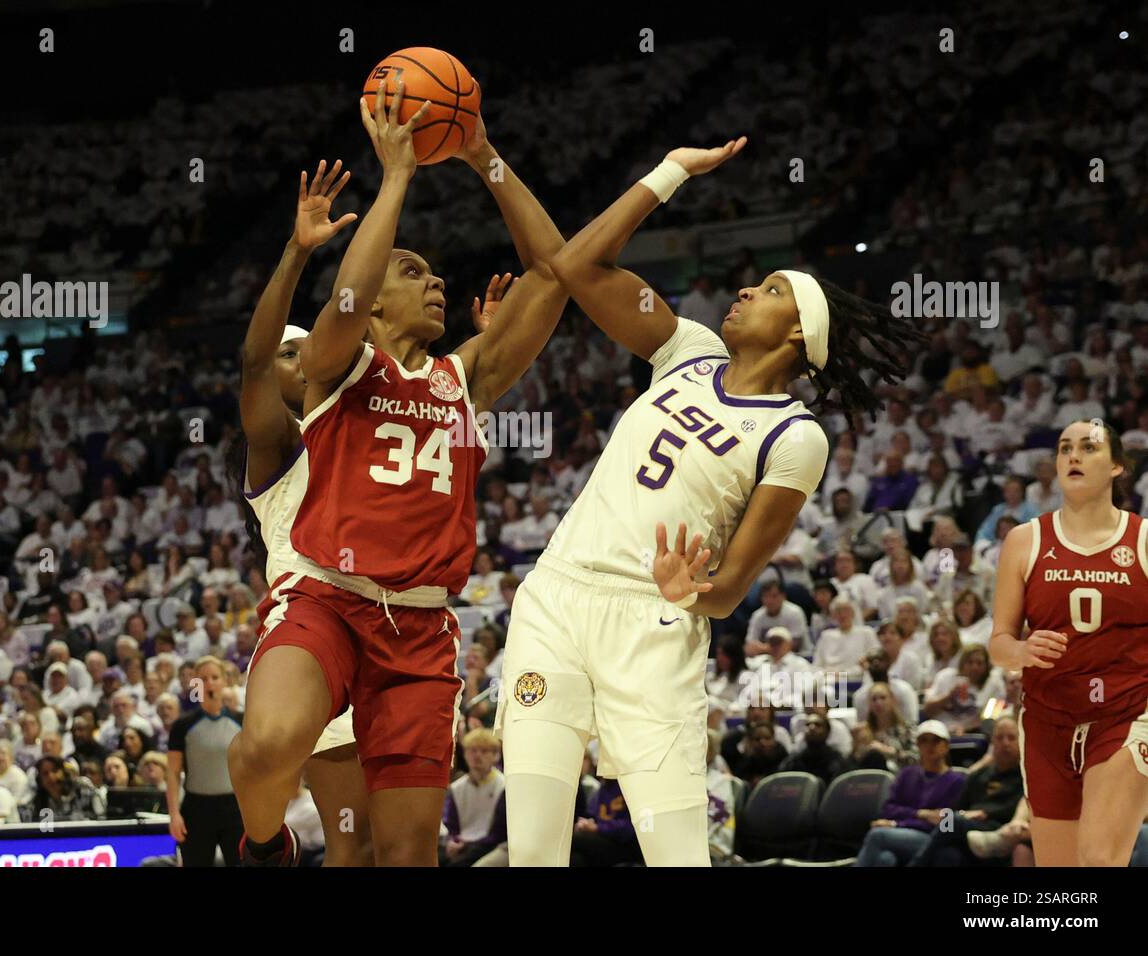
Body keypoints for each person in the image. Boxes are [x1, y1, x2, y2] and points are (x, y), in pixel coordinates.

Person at [499, 137, 925, 867]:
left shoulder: (794, 437)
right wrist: (667, 173)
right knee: (534, 851)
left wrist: (688, 588)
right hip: (557, 601)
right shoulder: (687, 351)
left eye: (770, 289)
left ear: (799, 332)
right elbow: (574, 267)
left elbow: (726, 594)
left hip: (655, 626)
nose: (746, 292)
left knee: (680, 859)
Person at [230, 80, 569, 867]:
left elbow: (554, 275)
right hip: (324, 596)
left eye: (434, 274)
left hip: (418, 627)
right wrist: (397, 178)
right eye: (413, 272)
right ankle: (264, 842)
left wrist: (484, 155)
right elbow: (343, 297)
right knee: (265, 749)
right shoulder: (334, 368)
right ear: (375, 302)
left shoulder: (466, 379)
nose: (437, 282)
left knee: (405, 856)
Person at [229, 167, 378, 866]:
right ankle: (264, 842)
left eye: (305, 349)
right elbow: (255, 364)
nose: (299, 360)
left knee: (363, 845)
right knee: (267, 758)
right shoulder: (280, 442)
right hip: (312, 635)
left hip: (388, 628)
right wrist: (297, 252)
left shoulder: (368, 422)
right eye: (293, 354)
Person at [989, 420, 1148, 866]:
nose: (1073, 456)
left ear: (1117, 465)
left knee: (1098, 859)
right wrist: (1021, 651)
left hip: (1126, 713)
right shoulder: (1024, 540)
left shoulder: (1144, 538)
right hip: (1046, 722)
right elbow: (998, 643)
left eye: (1088, 447)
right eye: (1064, 448)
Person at [909, 717, 1024, 866]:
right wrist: (964, 815)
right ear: (992, 743)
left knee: (952, 821)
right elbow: (958, 806)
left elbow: (1017, 808)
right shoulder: (979, 775)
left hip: (1000, 829)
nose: (1005, 743)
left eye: (1011, 738)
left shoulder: (1025, 778)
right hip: (967, 827)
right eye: (1000, 738)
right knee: (948, 854)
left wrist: (984, 814)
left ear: (1021, 742)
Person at [854, 720, 967, 866]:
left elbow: (945, 825)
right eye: (924, 740)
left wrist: (897, 824)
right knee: (886, 859)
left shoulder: (956, 781)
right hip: (900, 834)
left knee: (877, 835)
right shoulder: (907, 774)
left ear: (946, 746)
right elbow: (888, 809)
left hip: (932, 839)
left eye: (936, 740)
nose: (930, 745)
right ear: (918, 745)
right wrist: (920, 814)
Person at [167, 657, 245, 867]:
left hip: (236, 808)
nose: (209, 683)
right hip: (196, 809)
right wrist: (174, 814)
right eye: (203, 679)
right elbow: (173, 773)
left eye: (214, 677)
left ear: (224, 682)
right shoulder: (182, 726)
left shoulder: (242, 722)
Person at [440, 728, 505, 867]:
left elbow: (499, 833)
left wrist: (466, 844)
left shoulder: (503, 786)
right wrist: (453, 840)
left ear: (495, 755)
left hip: (490, 845)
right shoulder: (457, 788)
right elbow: (450, 824)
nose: (477, 756)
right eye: (472, 750)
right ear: (465, 754)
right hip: (461, 843)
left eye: (484, 751)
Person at [779, 713, 847, 785]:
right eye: (807, 725)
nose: (811, 728)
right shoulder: (794, 761)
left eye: (817, 725)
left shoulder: (836, 760)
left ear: (827, 732)